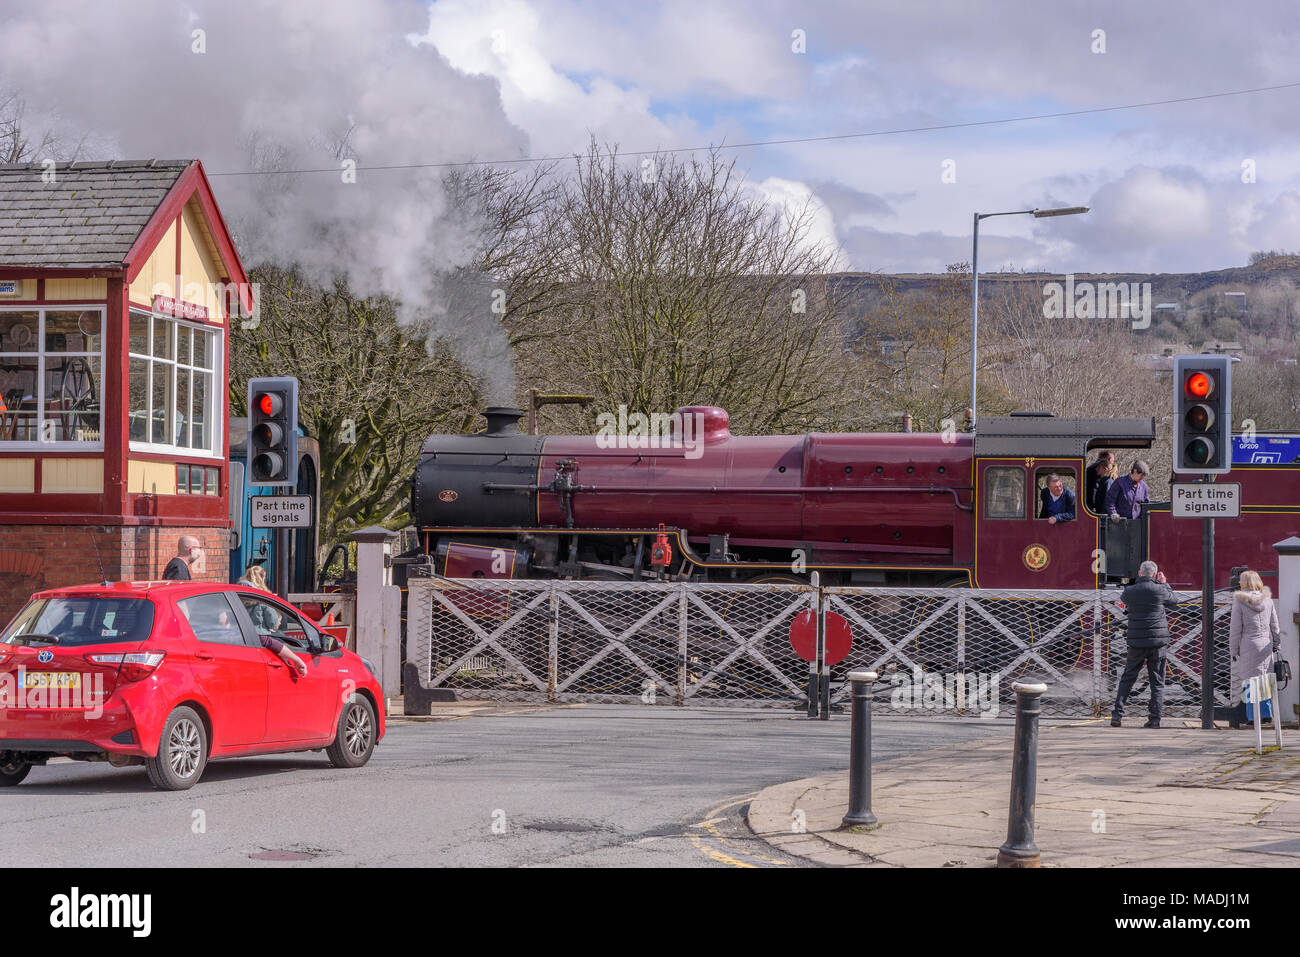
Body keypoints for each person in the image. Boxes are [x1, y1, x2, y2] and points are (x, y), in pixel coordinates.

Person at [1111, 560, 1180, 728]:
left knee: (1127, 678)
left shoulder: (1130, 591)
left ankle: (1117, 716)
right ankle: (1154, 720)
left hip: (1137, 641)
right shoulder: (1160, 589)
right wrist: (1165, 584)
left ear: (1139, 573)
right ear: (1155, 575)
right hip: (1158, 641)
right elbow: (1174, 601)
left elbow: (1123, 600)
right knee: (1157, 681)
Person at [1229, 569, 1281, 726]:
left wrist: (1233, 649)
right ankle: (1266, 714)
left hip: (1248, 644)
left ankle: (1253, 717)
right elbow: (1275, 625)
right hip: (1266, 643)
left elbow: (1235, 629)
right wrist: (1276, 643)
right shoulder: (1268, 600)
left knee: (1250, 680)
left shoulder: (1239, 601)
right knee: (1264, 677)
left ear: (1244, 582)